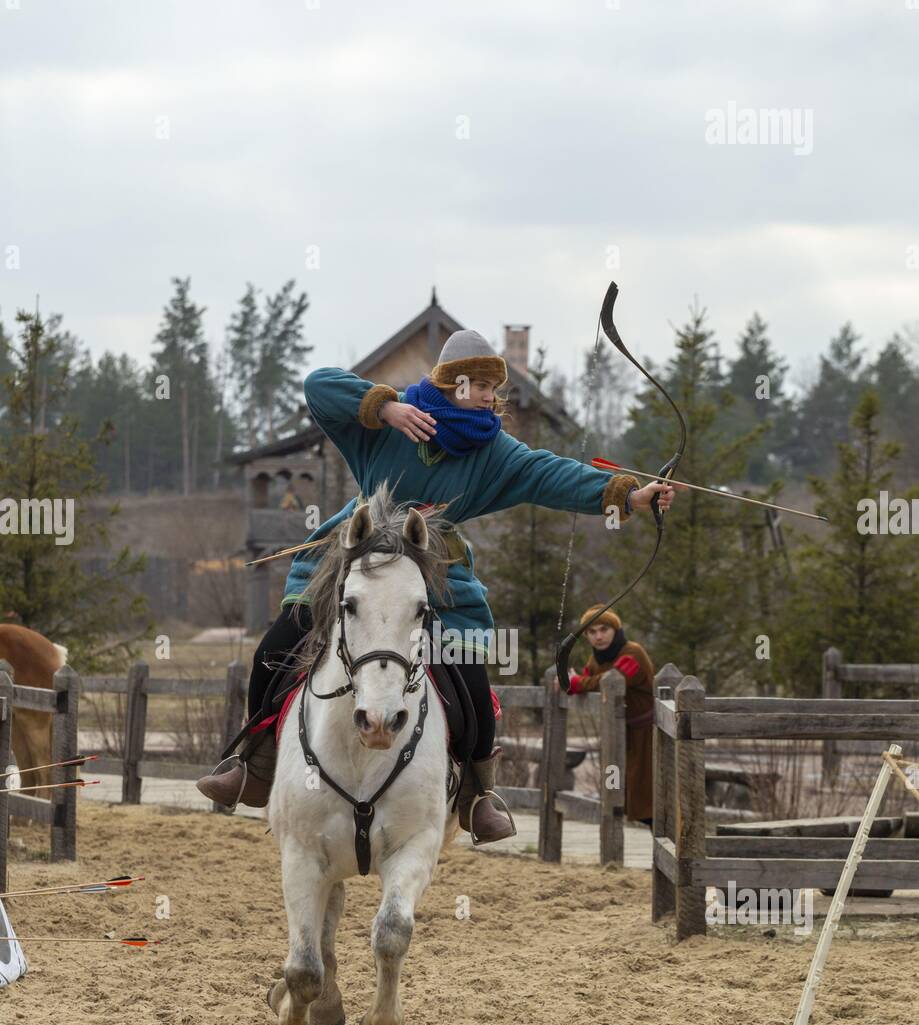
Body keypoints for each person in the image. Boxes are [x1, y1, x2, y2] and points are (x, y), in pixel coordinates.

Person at [196, 329, 674, 841]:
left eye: (495, 386)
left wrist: (627, 495)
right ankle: (251, 762)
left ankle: (477, 794)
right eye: (481, 384)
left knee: (468, 675)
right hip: (351, 558)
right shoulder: (391, 421)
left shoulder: (495, 452)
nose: (491, 395)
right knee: (277, 646)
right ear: (451, 384)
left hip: (437, 572)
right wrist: (383, 407)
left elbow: (550, 473)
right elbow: (318, 386)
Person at [567, 607, 655, 826]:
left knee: (648, 796)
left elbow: (613, 679)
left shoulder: (632, 652)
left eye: (604, 629)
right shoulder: (596, 658)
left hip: (647, 733)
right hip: (620, 733)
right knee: (621, 791)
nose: (598, 636)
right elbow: (588, 680)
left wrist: (578, 683)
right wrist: (571, 684)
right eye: (591, 631)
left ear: (615, 629)